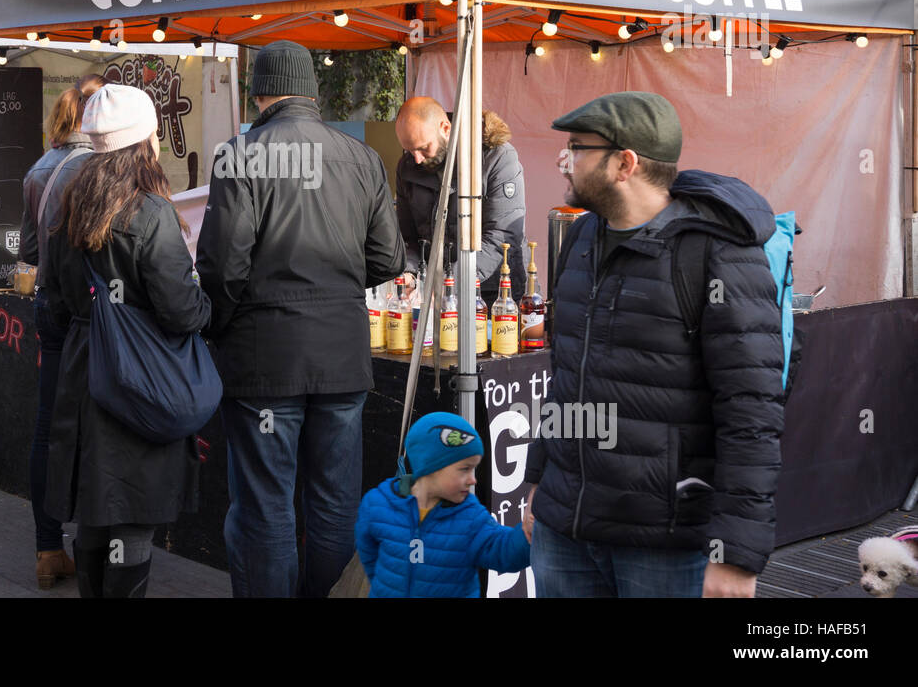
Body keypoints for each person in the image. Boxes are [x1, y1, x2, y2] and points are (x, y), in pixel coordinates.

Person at [522, 91, 784, 598]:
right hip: (566, 529)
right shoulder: (580, 239)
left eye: (576, 147)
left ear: (625, 163)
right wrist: (542, 482)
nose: (563, 159)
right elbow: (567, 378)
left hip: (664, 542)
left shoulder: (718, 253)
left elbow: (751, 411)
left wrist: (736, 553)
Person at [196, 40, 406, 598]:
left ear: (259, 91)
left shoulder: (239, 155)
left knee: (266, 505)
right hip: (340, 356)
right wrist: (332, 290)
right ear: (311, 90)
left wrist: (218, 324)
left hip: (265, 360)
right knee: (335, 504)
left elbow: (222, 267)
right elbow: (388, 259)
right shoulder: (361, 157)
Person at [42, 83, 210, 598]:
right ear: (143, 145)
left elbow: (58, 295)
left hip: (83, 369)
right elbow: (181, 311)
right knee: (134, 511)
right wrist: (205, 301)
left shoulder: (69, 204)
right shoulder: (151, 213)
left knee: (97, 505)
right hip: (140, 376)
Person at [19, 73, 104, 589]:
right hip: (94, 313)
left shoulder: (37, 172)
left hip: (50, 310)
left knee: (49, 425)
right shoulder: (100, 170)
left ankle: (48, 548)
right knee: (99, 429)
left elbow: (29, 253)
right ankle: (94, 548)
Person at [356, 412, 530, 597]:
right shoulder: (378, 505)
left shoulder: (470, 517)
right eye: (464, 469)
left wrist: (528, 534)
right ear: (430, 467)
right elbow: (368, 552)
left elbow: (504, 552)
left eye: (474, 469)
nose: (473, 480)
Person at [394, 96, 524, 294]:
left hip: (494, 290)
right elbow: (408, 236)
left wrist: (446, 284)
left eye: (423, 148)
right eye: (409, 150)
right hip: (434, 290)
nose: (417, 159)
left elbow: (501, 237)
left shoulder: (496, 157)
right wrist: (410, 272)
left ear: (445, 128)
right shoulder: (407, 167)